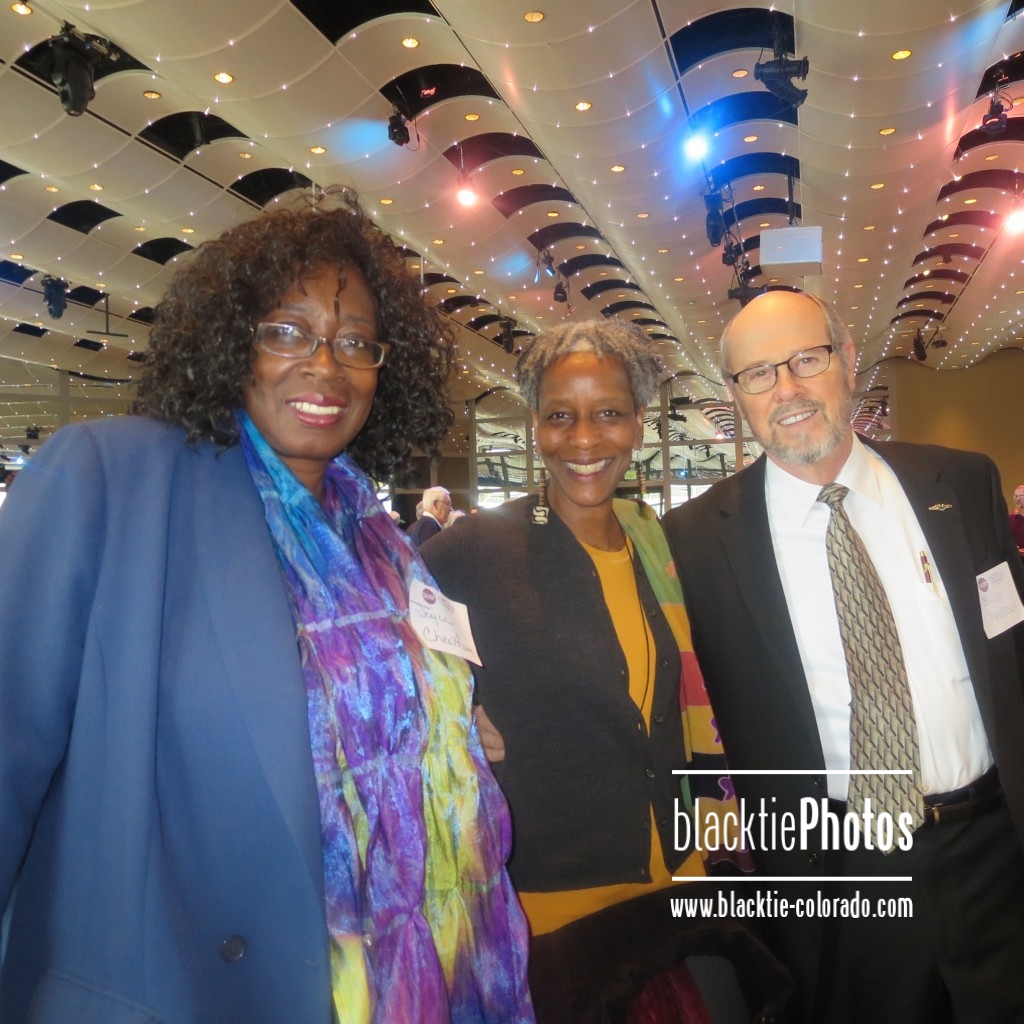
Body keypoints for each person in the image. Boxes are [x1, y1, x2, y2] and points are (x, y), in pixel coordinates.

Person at [0, 189, 532, 1023]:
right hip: (185, 985)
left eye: (354, 343)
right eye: (287, 331)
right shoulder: (117, 483)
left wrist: (441, 720)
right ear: (230, 340)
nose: (324, 366)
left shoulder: (378, 543)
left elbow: (351, 699)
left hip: (405, 979)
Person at [662, 288, 1024, 1024]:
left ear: (849, 361)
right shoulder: (695, 541)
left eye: (807, 359)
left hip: (995, 854)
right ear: (734, 394)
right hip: (839, 875)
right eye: (758, 373)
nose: (787, 389)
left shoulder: (959, 482)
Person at [421, 321, 782, 1023]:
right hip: (555, 920)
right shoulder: (474, 553)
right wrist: (443, 701)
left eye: (608, 413)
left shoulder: (665, 547)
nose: (584, 439)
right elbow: (364, 661)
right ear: (535, 426)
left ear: (639, 423)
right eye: (560, 416)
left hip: (685, 888)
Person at [1009, 484, 1024, 554]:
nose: (1018, 499)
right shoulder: (1009, 519)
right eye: (1016, 496)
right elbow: (1005, 540)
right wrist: (1013, 547)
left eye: (1021, 496)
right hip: (1016, 561)